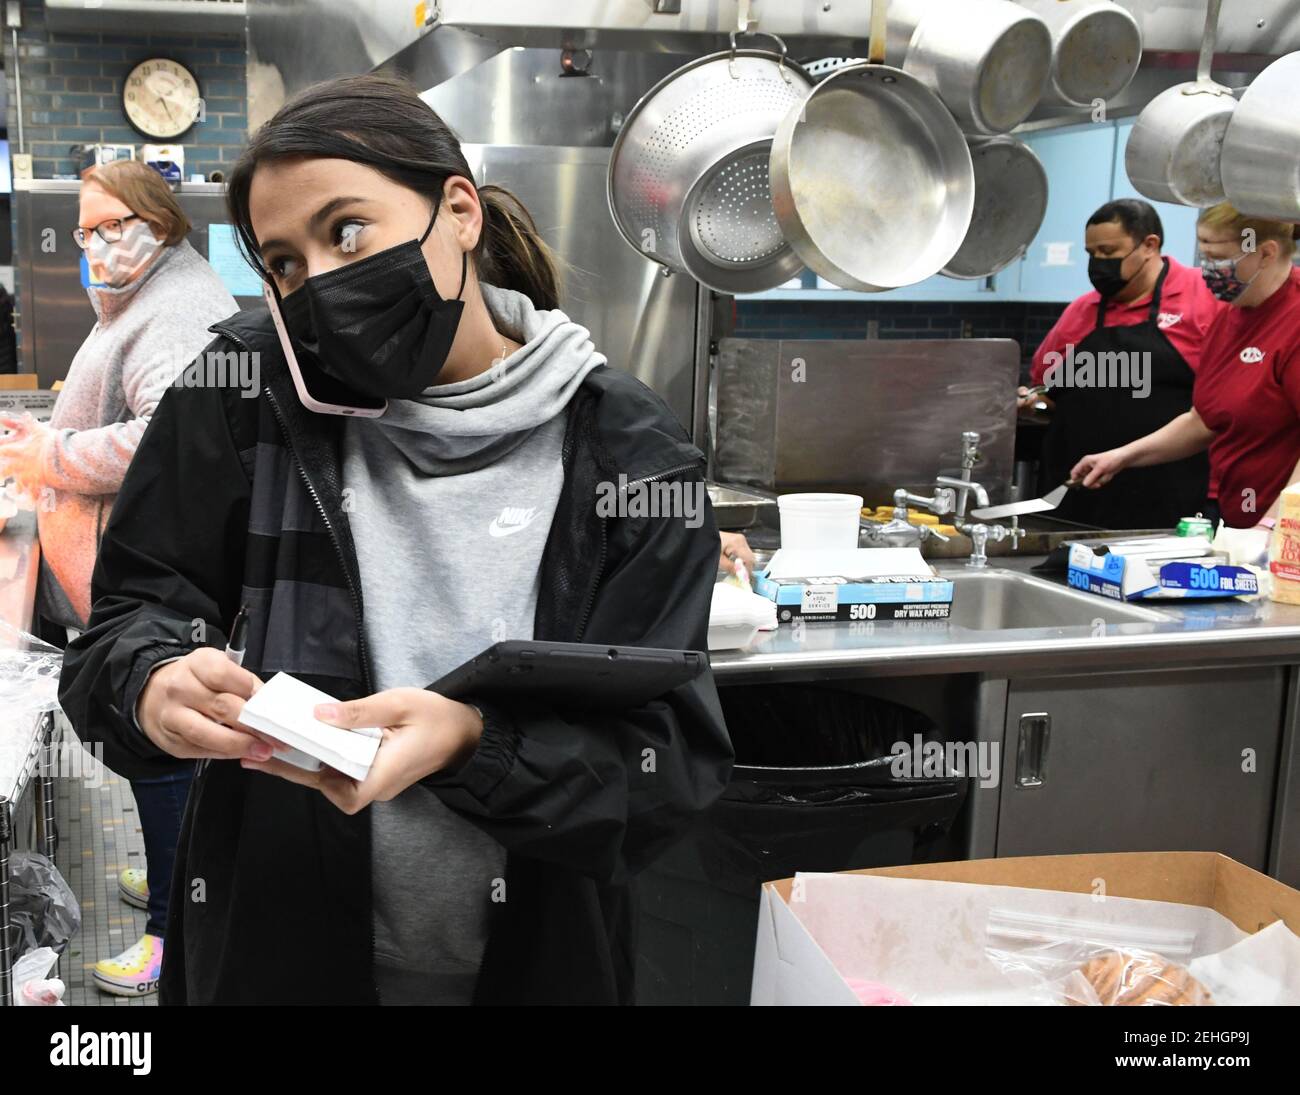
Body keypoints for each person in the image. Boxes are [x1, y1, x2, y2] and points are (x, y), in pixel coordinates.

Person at [57, 73, 733, 1006]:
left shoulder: (633, 456)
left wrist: (471, 742)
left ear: (458, 210)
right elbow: (124, 621)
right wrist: (152, 681)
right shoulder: (242, 393)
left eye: (347, 231)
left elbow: (666, 771)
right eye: (285, 264)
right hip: (277, 956)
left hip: (534, 965)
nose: (320, 285)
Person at [0, 160, 237, 996]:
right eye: (86, 229)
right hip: (128, 576)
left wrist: (50, 454)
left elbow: (160, 439)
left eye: (112, 224)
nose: (97, 242)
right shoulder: (144, 295)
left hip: (154, 585)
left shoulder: (177, 306)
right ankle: (175, 876)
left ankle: (176, 927)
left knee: (157, 749)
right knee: (149, 752)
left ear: (158, 219)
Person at [1072, 203, 1300, 530]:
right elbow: (1202, 420)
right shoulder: (1229, 315)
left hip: (1281, 531)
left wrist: (1277, 528)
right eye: (1204, 256)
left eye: (1219, 258)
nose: (1208, 269)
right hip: (1240, 520)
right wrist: (1122, 457)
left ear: (1265, 253)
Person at [1019, 199, 1223, 529]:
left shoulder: (1205, 299)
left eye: (1109, 252)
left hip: (1169, 496)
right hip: (1075, 497)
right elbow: (1046, 387)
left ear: (1149, 245)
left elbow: (1225, 405)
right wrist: (1032, 402)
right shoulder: (1082, 311)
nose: (1098, 264)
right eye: (1091, 254)